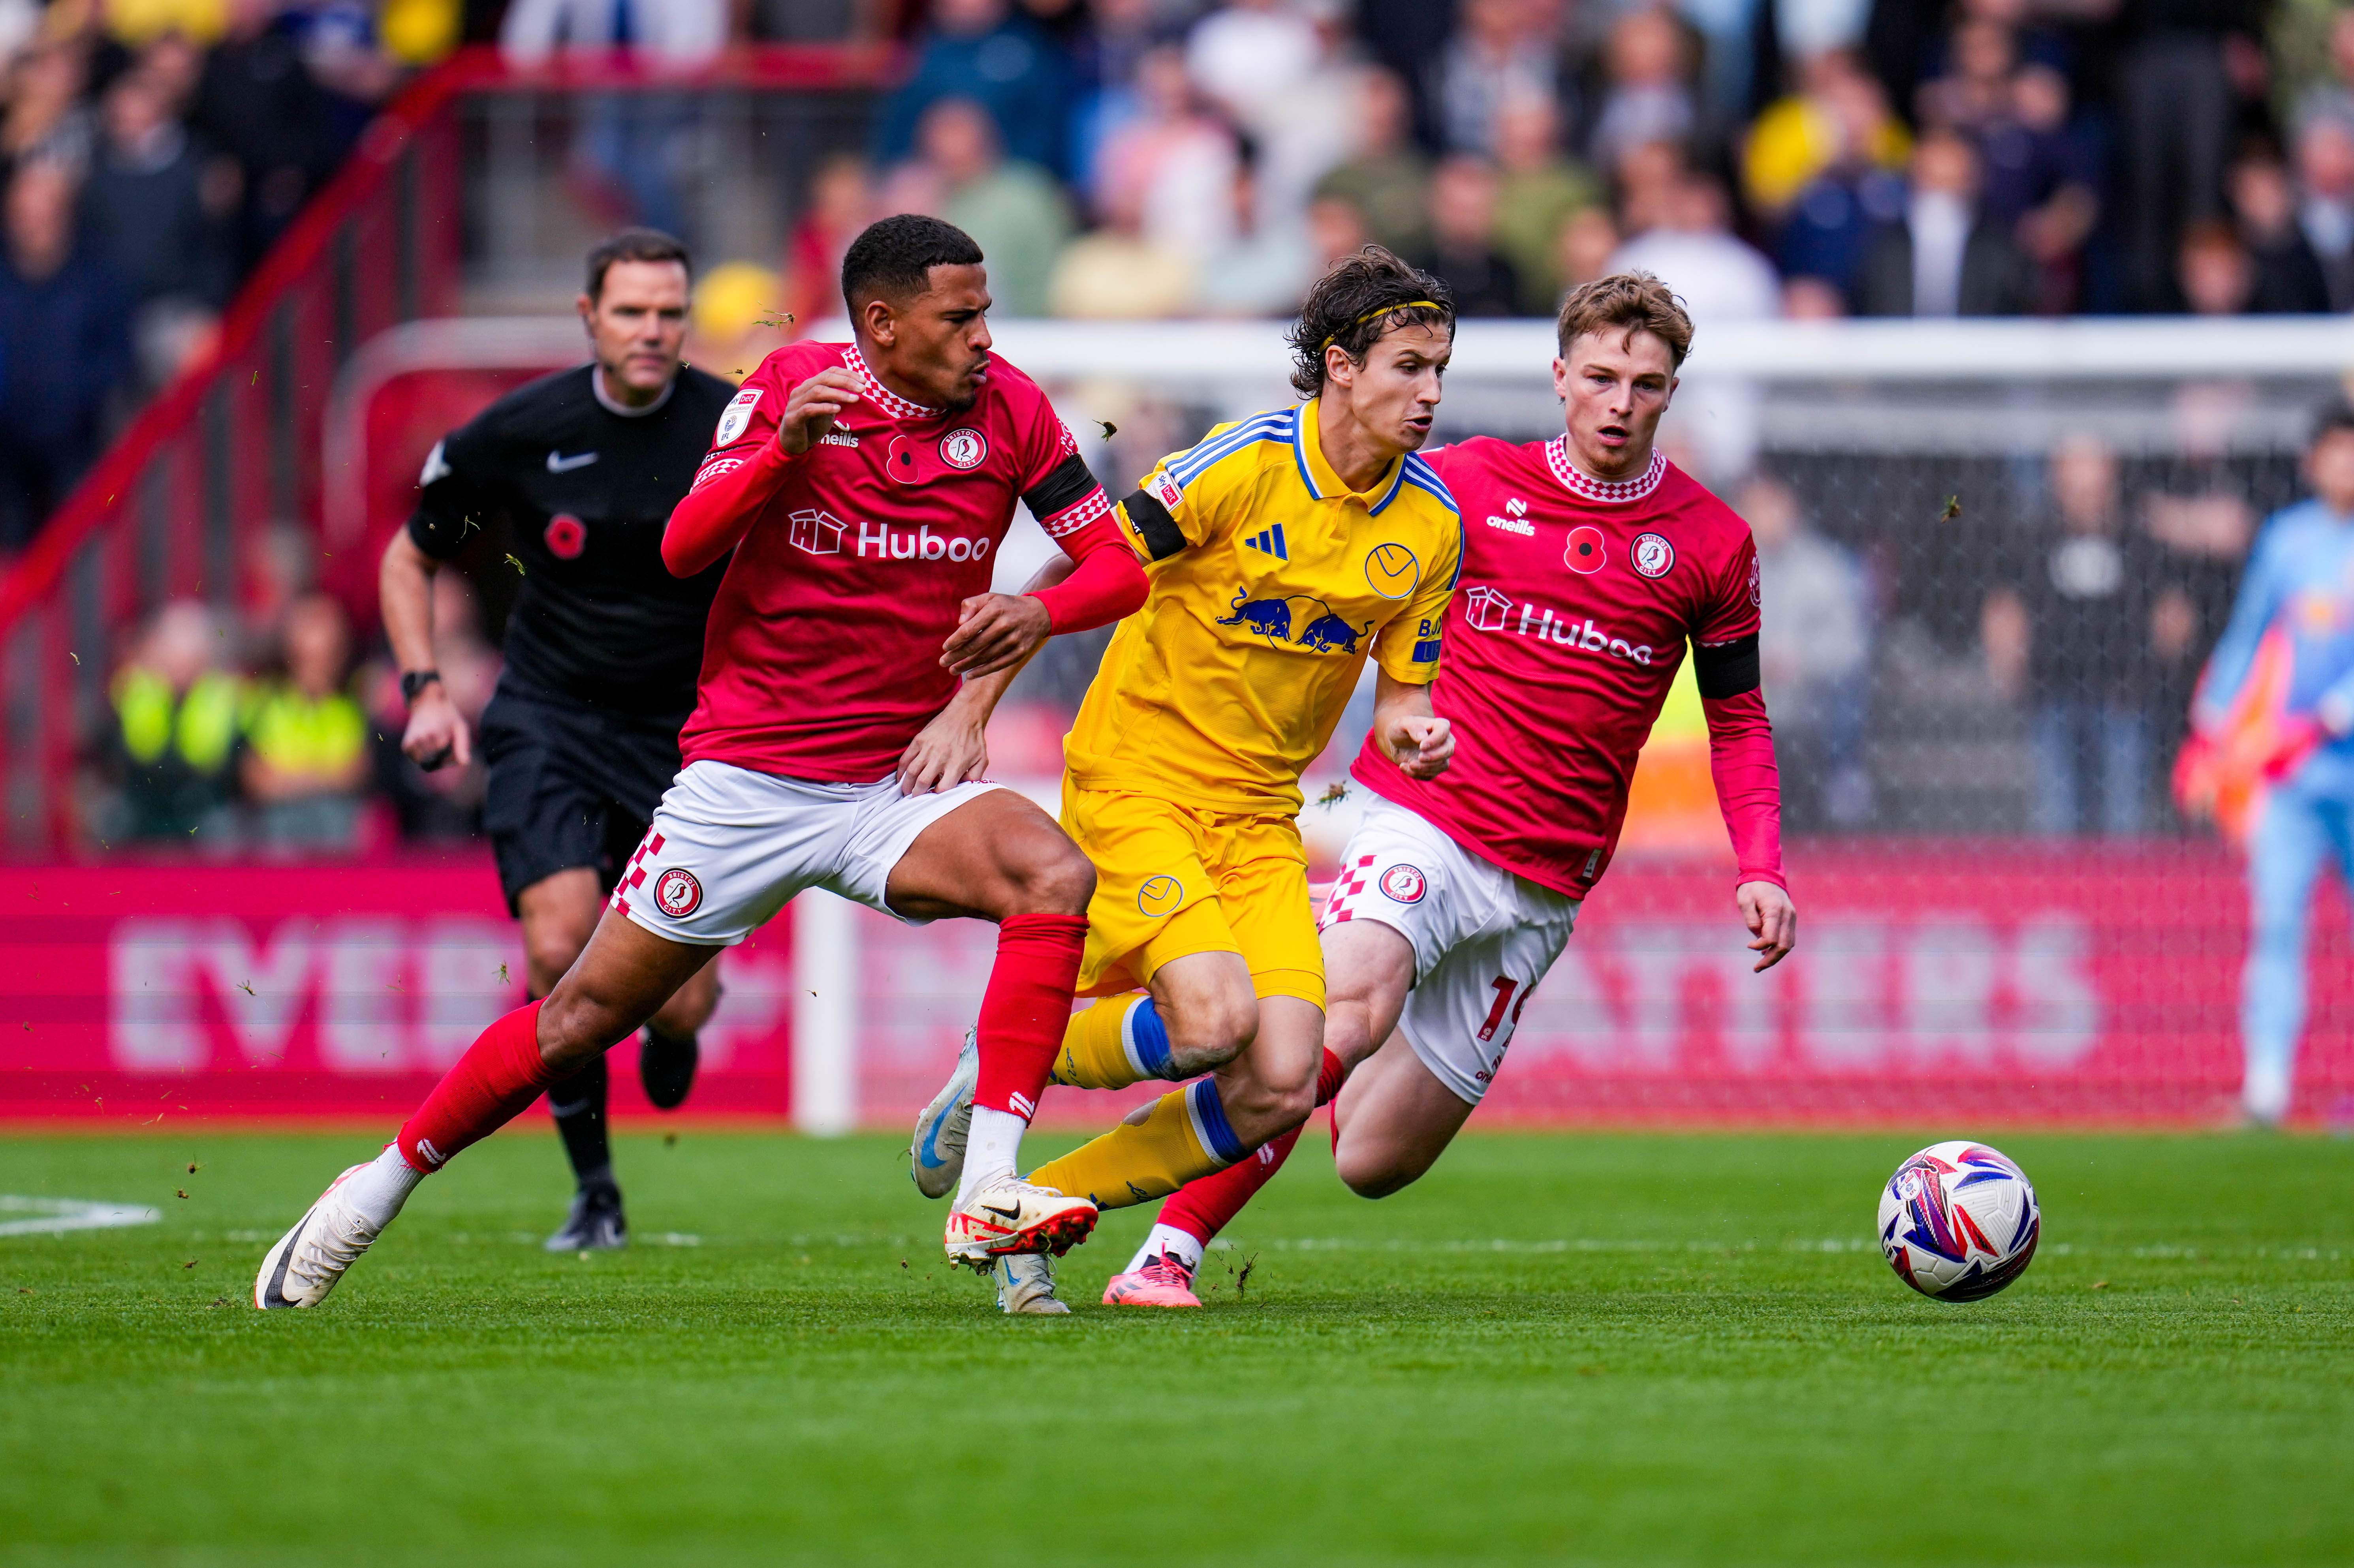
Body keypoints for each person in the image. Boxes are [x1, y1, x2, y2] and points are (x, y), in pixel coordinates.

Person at [255, 214, 1147, 1309]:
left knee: (1053, 876)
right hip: (749, 782)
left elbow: (1119, 568)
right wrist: (782, 453)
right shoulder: (790, 388)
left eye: (985, 313)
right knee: (581, 1016)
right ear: (883, 322)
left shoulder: (1012, 408)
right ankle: (371, 1191)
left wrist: (1037, 612)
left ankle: (994, 1193)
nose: (982, 336)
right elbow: (685, 548)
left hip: (889, 787)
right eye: (960, 316)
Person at [1092, 272, 1795, 1306]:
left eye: (1645, 384)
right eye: (1599, 376)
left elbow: (1737, 717)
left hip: (1547, 881)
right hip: (1423, 818)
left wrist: (1763, 867)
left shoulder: (1711, 545)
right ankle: (1164, 1249)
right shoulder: (1461, 484)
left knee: (1372, 1159)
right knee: (1346, 1016)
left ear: (1670, 393)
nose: (1618, 401)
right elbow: (1328, 526)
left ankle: (1287, 1079)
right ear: (1560, 379)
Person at [910, 246, 1463, 1313]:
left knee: (1280, 1081)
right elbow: (1079, 563)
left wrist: (1414, 736)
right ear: (1342, 367)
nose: (1430, 392)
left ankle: (1028, 1198)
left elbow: (1402, 701)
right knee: (1212, 1022)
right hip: (1139, 779)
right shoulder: (1240, 463)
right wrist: (969, 705)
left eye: (1439, 368)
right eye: (1408, 366)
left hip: (1261, 815)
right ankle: (1004, 1060)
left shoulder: (1431, 524)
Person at [382, 229, 739, 1249]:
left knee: (678, 1006)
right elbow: (413, 561)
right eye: (632, 312)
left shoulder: (734, 426)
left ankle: (676, 1030)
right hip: (549, 717)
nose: (653, 332)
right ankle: (596, 1191)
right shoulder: (520, 432)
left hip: (686, 737)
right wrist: (426, 691)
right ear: (590, 317)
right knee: (557, 948)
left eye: (670, 313)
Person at [2187, 401, 2354, 1127]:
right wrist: (2212, 727)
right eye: (2337, 451)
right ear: (2311, 461)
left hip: (2333, 758)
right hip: (2289, 780)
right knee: (2278, 924)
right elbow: (2250, 635)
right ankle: (2266, 1093)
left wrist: (2328, 718)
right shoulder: (2288, 541)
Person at [241, 593, 371, 850]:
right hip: (280, 820)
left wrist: (294, 779)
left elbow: (358, 772)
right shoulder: (264, 701)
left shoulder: (355, 701)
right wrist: (322, 777)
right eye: (311, 623)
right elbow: (256, 779)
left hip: (337, 820)